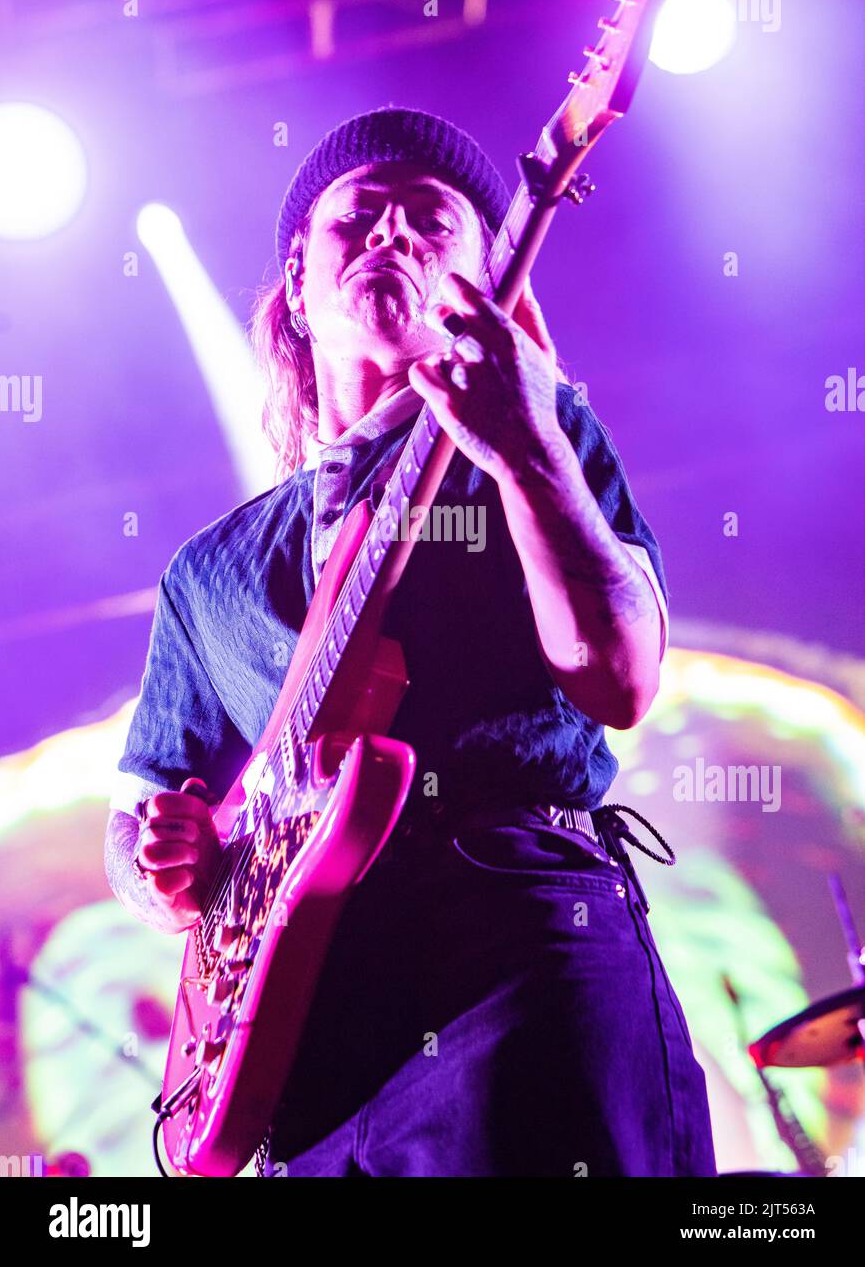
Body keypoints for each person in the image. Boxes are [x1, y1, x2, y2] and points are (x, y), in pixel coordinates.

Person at [104, 106, 716, 1177]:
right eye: (359, 215)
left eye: (431, 218)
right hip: (300, 1029)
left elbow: (620, 676)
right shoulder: (208, 571)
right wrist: (160, 862)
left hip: (513, 939)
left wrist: (526, 445)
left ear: (487, 284)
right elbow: (140, 814)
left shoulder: (544, 434)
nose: (391, 234)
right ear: (297, 284)